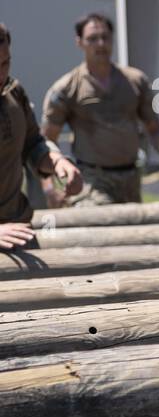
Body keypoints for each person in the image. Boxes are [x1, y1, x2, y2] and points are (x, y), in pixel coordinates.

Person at [41, 13, 159, 206]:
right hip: (92, 181)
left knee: (132, 232)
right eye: (92, 39)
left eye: (105, 37)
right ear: (79, 42)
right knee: (99, 224)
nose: (100, 44)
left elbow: (154, 128)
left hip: (131, 179)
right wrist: (49, 187)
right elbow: (46, 142)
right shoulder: (66, 88)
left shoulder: (135, 81)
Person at [0, 22, 83, 250]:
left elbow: (32, 144)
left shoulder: (14, 93)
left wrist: (57, 162)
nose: (1, 74)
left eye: (5, 63)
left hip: (18, 228)